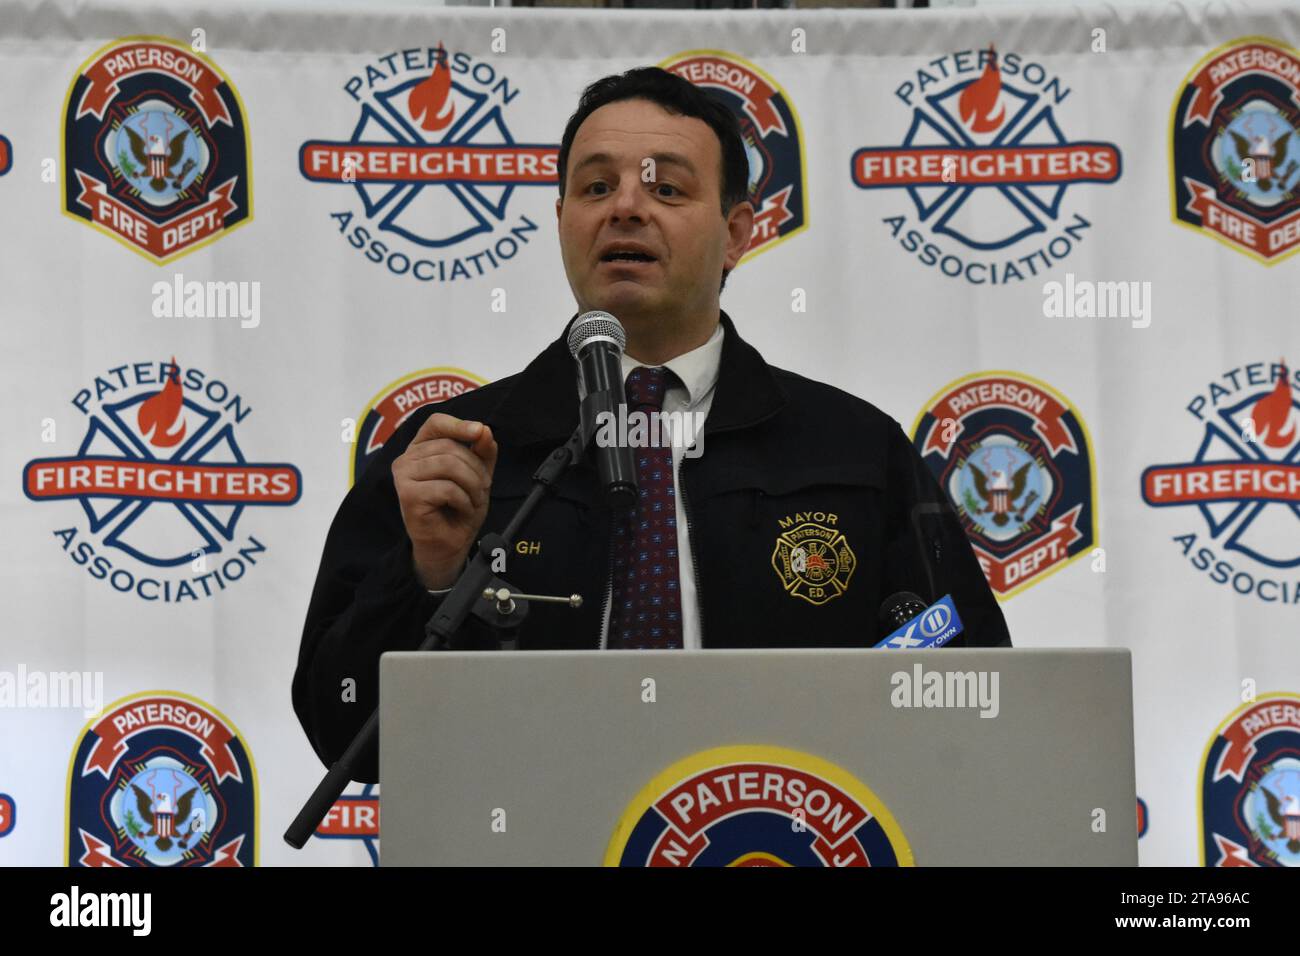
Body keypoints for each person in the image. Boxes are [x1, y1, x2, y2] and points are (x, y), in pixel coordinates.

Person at [293, 67, 1011, 781]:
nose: (626, 208)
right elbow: (345, 729)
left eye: (666, 188)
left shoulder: (854, 449)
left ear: (735, 234)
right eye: (596, 188)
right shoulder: (456, 449)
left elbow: (965, 688)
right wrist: (428, 573)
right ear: (562, 221)